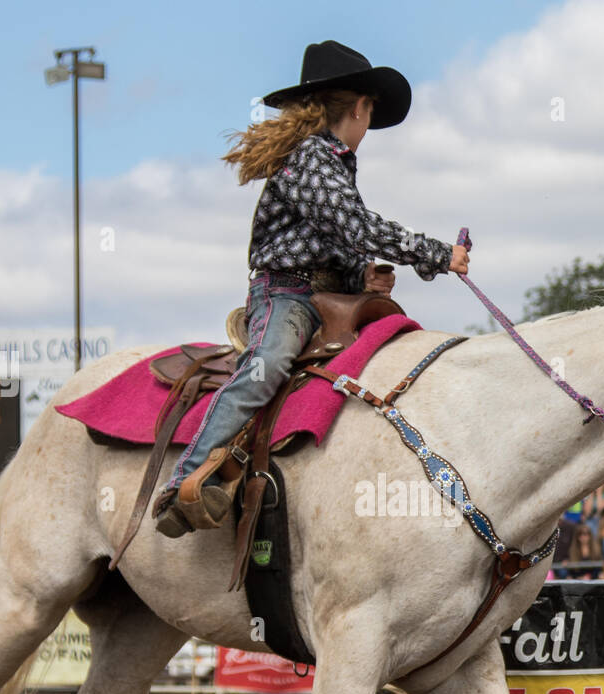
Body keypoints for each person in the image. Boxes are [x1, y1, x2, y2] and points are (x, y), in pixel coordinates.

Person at [154, 40, 469, 536]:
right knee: (265, 368)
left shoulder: (330, 161)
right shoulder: (312, 157)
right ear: (362, 107)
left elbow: (338, 236)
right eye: (372, 111)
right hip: (287, 298)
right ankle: (184, 480)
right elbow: (354, 226)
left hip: (325, 299)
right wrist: (437, 254)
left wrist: (360, 278)